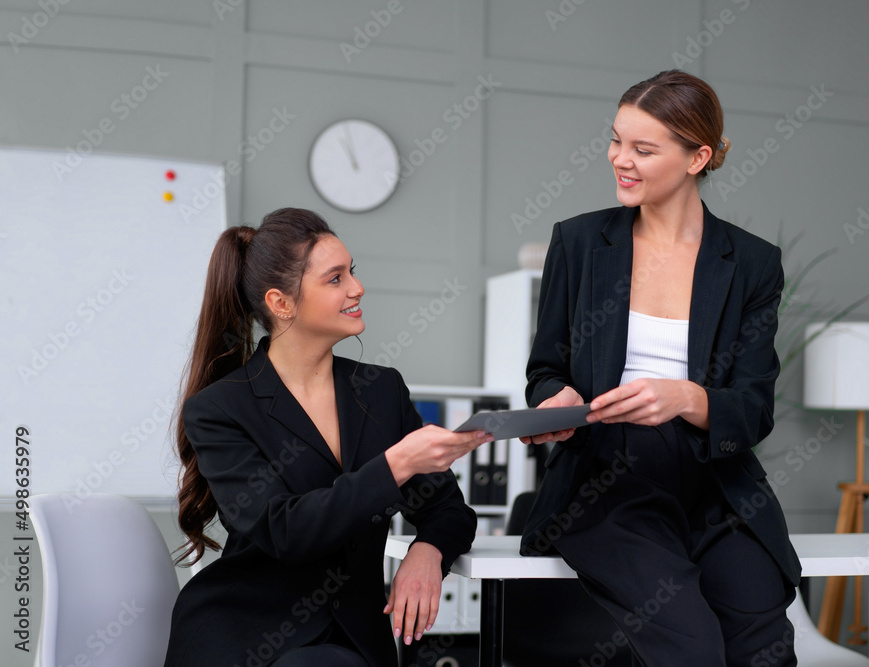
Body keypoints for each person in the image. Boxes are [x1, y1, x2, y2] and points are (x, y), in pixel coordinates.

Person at [518, 70, 802, 666]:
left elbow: (754, 406)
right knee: (690, 648)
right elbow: (545, 369)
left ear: (698, 157)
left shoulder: (751, 263)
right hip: (608, 481)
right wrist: (556, 400)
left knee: (763, 648)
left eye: (643, 149)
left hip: (717, 485)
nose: (620, 159)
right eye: (617, 140)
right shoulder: (578, 242)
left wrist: (685, 398)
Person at [164, 208, 491, 667]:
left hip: (355, 635)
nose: (357, 288)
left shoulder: (381, 391)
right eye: (335, 278)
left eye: (351, 272)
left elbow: (449, 511)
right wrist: (398, 464)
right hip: (246, 635)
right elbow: (286, 531)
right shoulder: (220, 410)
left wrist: (428, 551)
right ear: (281, 303)